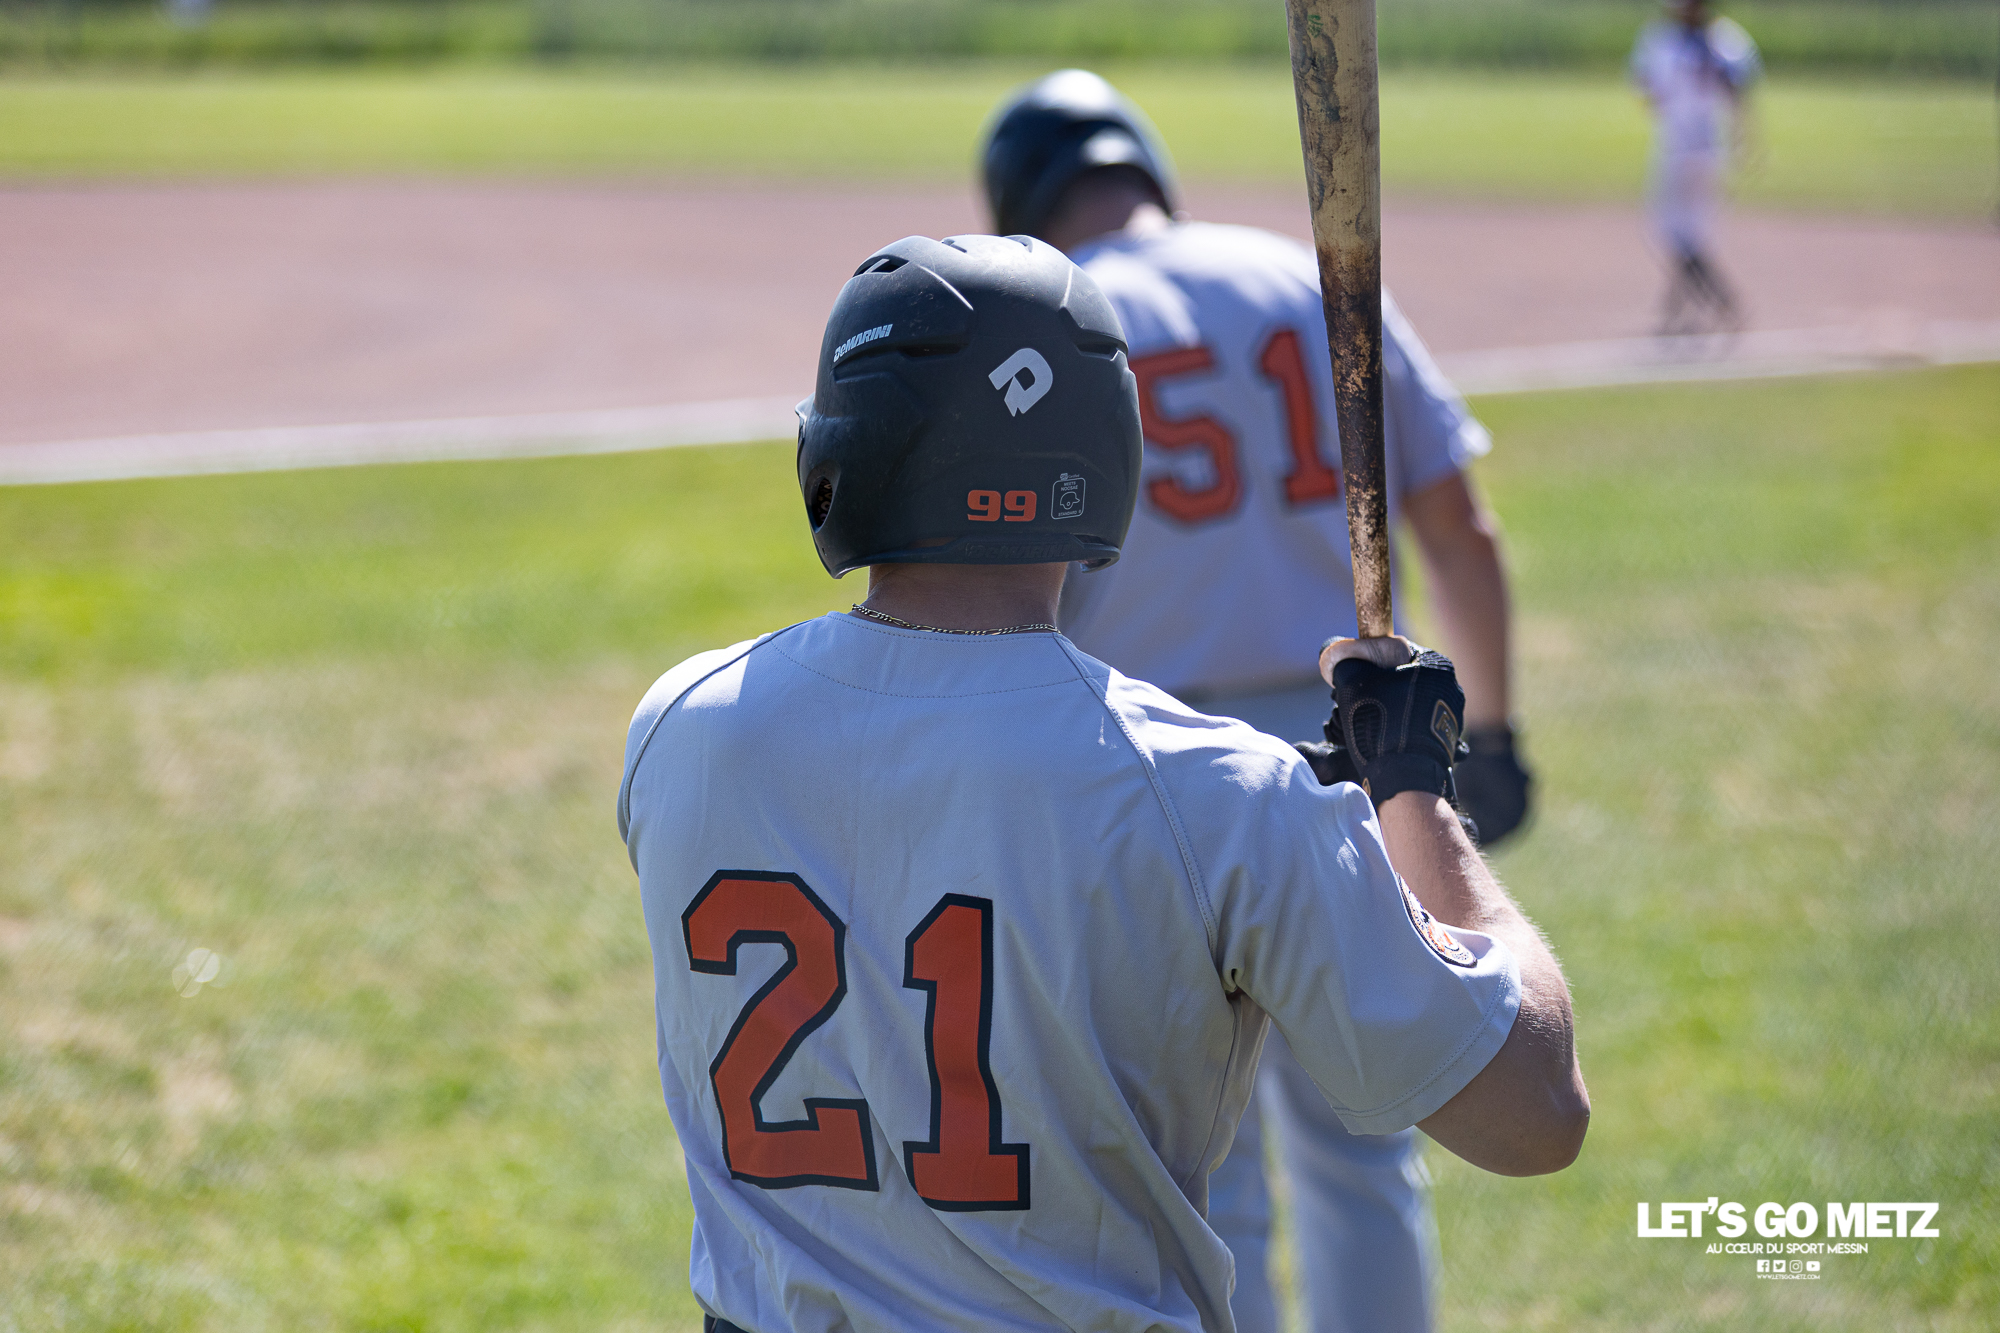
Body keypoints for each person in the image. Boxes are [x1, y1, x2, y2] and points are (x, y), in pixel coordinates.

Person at [618, 233, 1588, 1332]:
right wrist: (1411, 785)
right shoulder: (1220, 794)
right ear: (1102, 452)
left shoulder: (681, 726)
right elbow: (1534, 1116)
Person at [978, 70, 1534, 1333]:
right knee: (1365, 1140)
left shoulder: (1052, 320)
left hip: (1142, 765)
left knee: (1191, 1159)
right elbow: (1458, 528)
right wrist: (1491, 735)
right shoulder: (1298, 272)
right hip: (1345, 751)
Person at [1630, 0, 1763, 334]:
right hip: (1712, 149)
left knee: (1674, 235)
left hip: (1677, 149)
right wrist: (1745, 140)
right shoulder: (1728, 39)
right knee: (1692, 233)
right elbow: (1740, 94)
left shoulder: (1661, 40)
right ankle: (1675, 308)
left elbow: (1648, 92)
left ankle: (1722, 299)